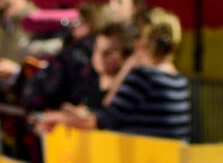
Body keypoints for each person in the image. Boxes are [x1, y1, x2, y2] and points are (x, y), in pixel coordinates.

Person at [37, 9, 191, 141]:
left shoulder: (144, 78)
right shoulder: (178, 80)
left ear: (142, 41)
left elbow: (104, 119)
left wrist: (62, 119)